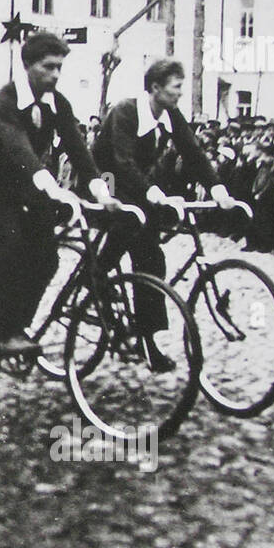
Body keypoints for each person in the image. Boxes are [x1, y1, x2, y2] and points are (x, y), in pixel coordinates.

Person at [0, 32, 119, 358]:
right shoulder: (2, 102)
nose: (56, 75)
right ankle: (7, 333)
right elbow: (19, 147)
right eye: (48, 67)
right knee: (11, 241)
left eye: (60, 67)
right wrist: (51, 187)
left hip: (25, 184)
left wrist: (102, 192)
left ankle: (20, 324)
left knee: (48, 257)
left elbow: (80, 152)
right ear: (28, 65)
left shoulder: (58, 104)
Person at [92, 58, 236, 371]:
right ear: (156, 88)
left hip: (136, 184)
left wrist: (218, 189)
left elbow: (194, 154)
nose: (181, 93)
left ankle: (147, 338)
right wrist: (153, 193)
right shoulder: (126, 111)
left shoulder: (170, 114)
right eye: (177, 87)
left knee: (151, 260)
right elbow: (121, 161)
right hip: (103, 179)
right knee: (130, 227)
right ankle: (97, 276)